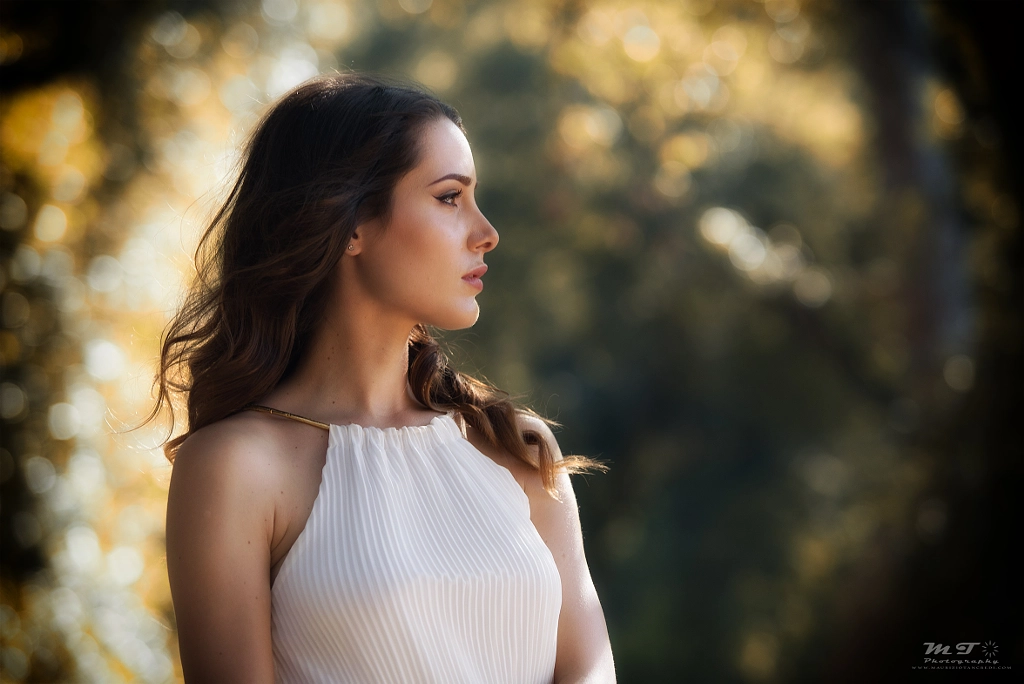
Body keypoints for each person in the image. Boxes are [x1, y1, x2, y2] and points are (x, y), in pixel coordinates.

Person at [152, 71, 615, 683]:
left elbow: (590, 670)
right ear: (349, 225)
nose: (487, 233)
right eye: (449, 198)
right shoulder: (235, 467)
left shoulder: (515, 447)